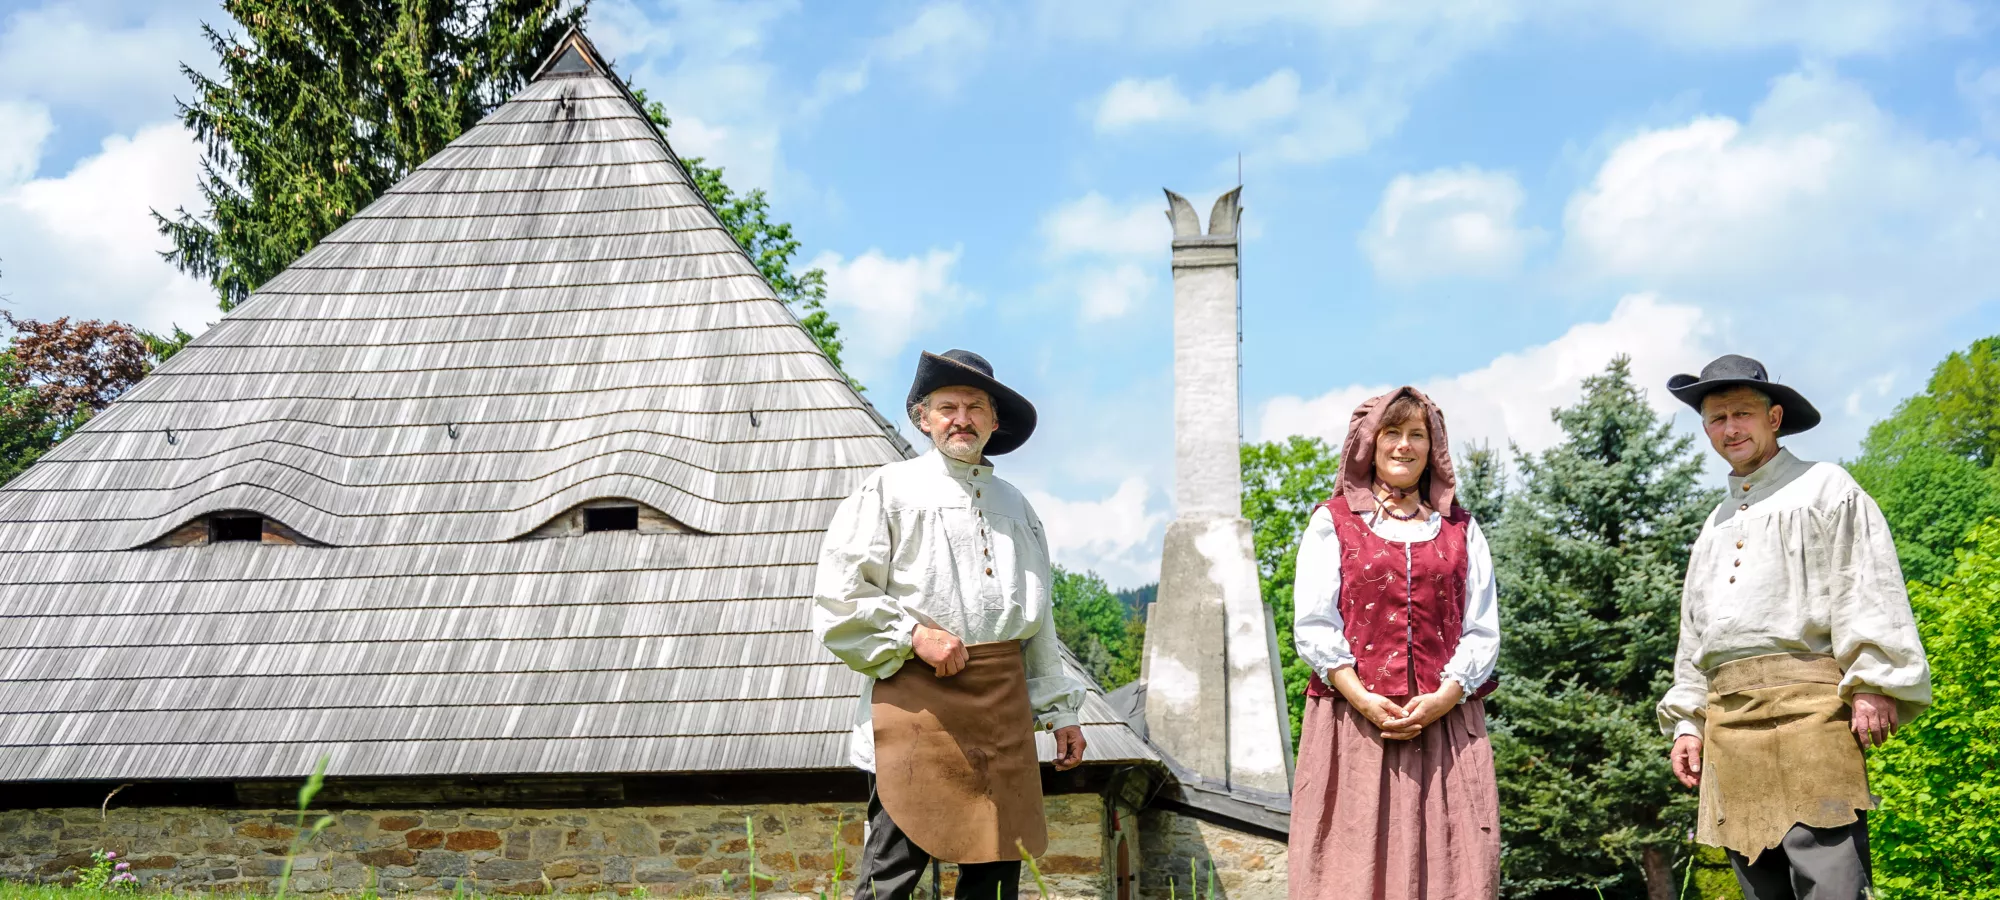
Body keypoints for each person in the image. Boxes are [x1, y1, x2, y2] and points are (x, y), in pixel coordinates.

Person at [813, 349, 1088, 900]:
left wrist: (1062, 714)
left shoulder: (1020, 508)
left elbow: (1038, 624)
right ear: (923, 418)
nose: (961, 418)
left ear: (994, 421)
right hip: (919, 698)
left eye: (975, 406)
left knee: (993, 875)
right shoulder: (888, 490)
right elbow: (839, 595)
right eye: (947, 407)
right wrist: (913, 635)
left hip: (1003, 706)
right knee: (890, 874)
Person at [1657, 354, 1932, 900]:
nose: (1730, 429)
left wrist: (1874, 680)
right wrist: (1688, 721)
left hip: (1812, 715)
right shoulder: (1713, 525)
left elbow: (1866, 582)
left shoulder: (1826, 488)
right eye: (1716, 418)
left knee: (1832, 884)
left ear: (1774, 418)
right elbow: (1696, 639)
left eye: (1742, 414)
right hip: (1730, 727)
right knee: (1759, 888)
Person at [1288, 387, 1502, 900]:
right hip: (1353, 725)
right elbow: (1314, 624)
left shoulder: (1460, 529)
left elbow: (1481, 627)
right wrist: (1363, 698)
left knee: (1453, 872)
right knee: (1348, 870)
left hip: (1446, 728)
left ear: (1433, 448)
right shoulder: (1333, 522)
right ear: (1369, 442)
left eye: (1417, 435)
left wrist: (1442, 699)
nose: (1403, 446)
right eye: (1392, 433)